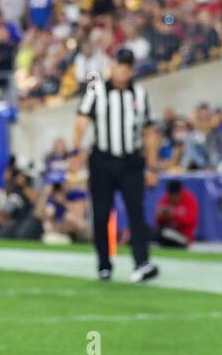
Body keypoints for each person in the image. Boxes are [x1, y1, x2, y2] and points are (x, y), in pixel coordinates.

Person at [70, 48, 159, 282]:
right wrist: (76, 151)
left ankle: (142, 262)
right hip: (103, 160)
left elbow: (149, 132)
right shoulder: (96, 90)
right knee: (101, 213)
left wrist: (151, 166)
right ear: (113, 66)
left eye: (128, 67)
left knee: (136, 212)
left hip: (131, 160)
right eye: (120, 66)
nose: (123, 71)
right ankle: (104, 263)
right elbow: (81, 121)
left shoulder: (140, 93)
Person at [153, 179, 199, 248]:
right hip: (166, 233)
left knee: (163, 233)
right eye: (170, 195)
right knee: (151, 231)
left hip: (183, 237)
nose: (172, 198)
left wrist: (175, 215)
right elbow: (158, 223)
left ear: (180, 193)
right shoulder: (165, 199)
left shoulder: (190, 199)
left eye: (174, 195)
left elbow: (191, 221)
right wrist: (161, 216)